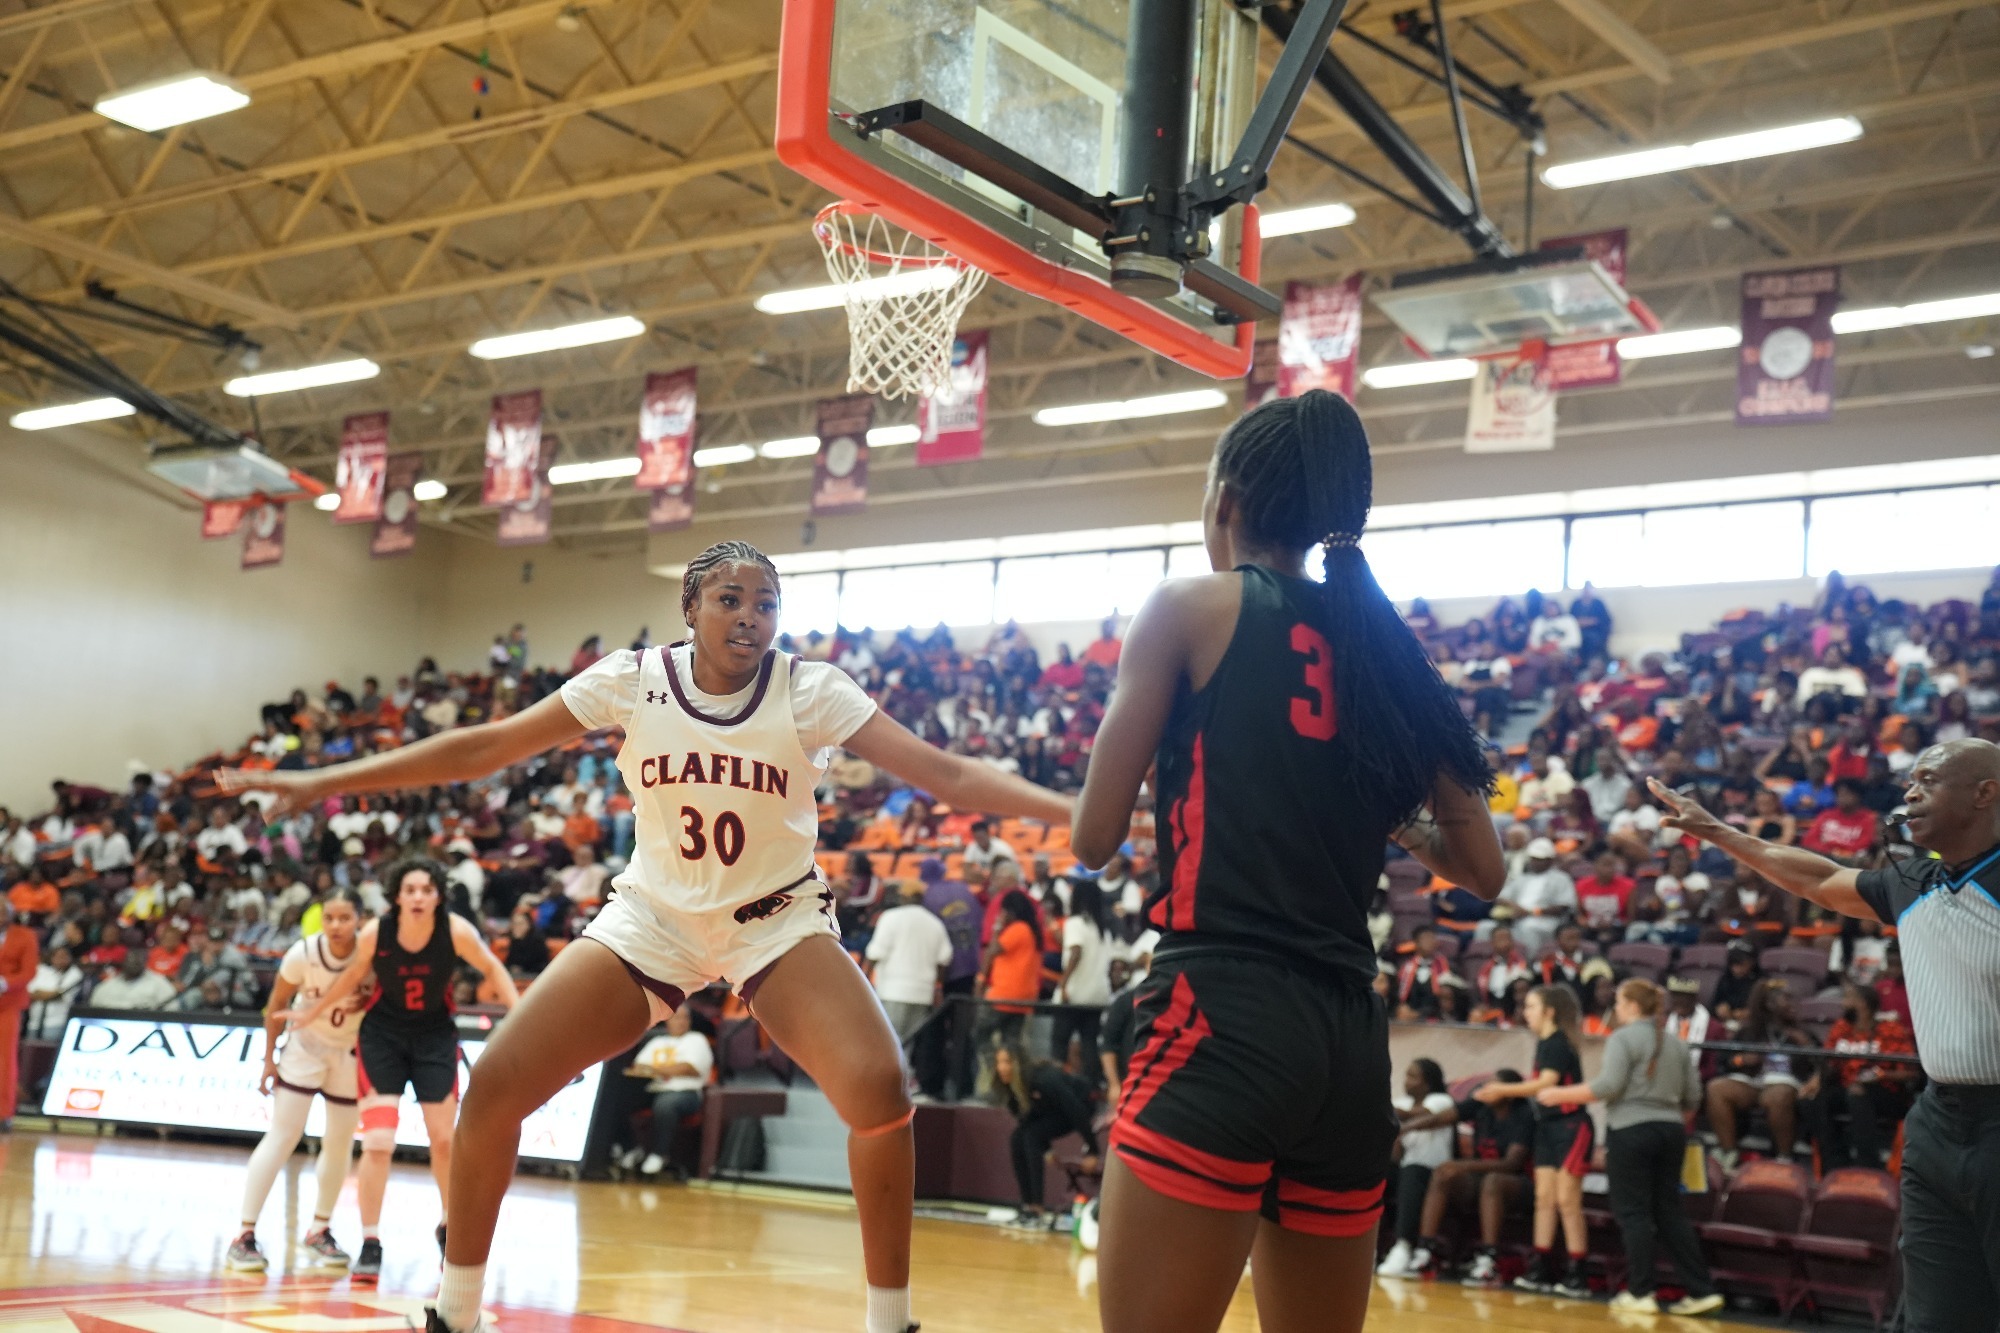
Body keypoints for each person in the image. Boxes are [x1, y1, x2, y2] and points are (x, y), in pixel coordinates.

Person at [220, 540, 1072, 1333]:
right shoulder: (633, 680)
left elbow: (951, 773)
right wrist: (324, 780)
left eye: (767, 602)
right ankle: (456, 1311)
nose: (750, 615)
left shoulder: (809, 688)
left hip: (773, 920)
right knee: (495, 1090)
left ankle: (891, 1321)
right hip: (652, 920)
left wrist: (1075, 812)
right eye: (731, 598)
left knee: (881, 1088)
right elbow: (486, 747)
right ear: (690, 607)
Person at [1069, 392, 1503, 1333]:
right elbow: (1484, 867)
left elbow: (1092, 839)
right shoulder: (1383, 646)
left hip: (1224, 1009)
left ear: (1226, 498)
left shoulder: (1188, 605)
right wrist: (1378, 811)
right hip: (1348, 1040)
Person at [1650, 746, 2000, 1330]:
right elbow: (1819, 876)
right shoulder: (1911, 879)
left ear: (1985, 793)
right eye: (1909, 781)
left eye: (1929, 782)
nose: (1909, 793)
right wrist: (1716, 831)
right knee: (1938, 1317)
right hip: (1938, 1123)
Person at [281, 859, 518, 1281]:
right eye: (410, 890)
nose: (418, 897)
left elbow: (493, 967)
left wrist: (519, 1014)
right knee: (377, 1143)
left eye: (427, 890)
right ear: (396, 896)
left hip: (434, 1039)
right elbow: (353, 976)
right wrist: (314, 1008)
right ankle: (370, 1241)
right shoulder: (378, 932)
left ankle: (449, 1226)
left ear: (438, 896)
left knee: (445, 1139)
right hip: (382, 1039)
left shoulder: (456, 930)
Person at [1536, 979, 1723, 1315]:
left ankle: (1641, 1292)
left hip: (1630, 1130)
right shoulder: (1677, 1044)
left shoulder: (1622, 1038)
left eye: (1620, 1003)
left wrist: (1560, 1094)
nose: (1616, 1009)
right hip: (1672, 1131)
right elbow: (1693, 1096)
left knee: (1633, 1213)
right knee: (1669, 1212)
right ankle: (1700, 1290)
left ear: (1634, 1007)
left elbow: (1609, 1085)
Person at [226, 888, 368, 1273]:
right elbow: (275, 1008)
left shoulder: (372, 955)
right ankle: (244, 1234)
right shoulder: (303, 953)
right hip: (303, 1049)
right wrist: (268, 1060)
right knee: (283, 1136)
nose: (336, 926)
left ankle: (319, 1230)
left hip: (348, 1053)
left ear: (360, 919)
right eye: (329, 918)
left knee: (339, 1143)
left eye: (345, 918)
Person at [1474, 985, 1591, 1297]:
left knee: (1567, 1201)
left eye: (1531, 1006)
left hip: (1571, 1126)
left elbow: (1546, 1083)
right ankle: (1540, 1267)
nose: (1526, 1012)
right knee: (1543, 1200)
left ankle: (1578, 1272)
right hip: (1548, 1127)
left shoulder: (1558, 1043)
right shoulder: (1544, 1043)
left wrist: (1501, 1090)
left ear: (1549, 1011)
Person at [1392, 1069, 1533, 1286]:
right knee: (1443, 1173)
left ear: (1510, 1092)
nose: (1485, 1090)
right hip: (1481, 1181)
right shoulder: (1479, 1106)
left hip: (1518, 1184)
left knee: (1492, 1181)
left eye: (1492, 1086)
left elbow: (1511, 1164)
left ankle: (1489, 1258)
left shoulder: (1523, 1114)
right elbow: (1439, 1119)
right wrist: (1405, 1129)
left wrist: (1462, 1165)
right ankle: (1425, 1252)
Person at [1800, 983, 1917, 1170]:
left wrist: (1880, 1074)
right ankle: (1833, 1162)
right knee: (1811, 1098)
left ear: (1862, 1004)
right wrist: (1815, 1081)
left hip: (1887, 1091)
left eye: (1848, 998)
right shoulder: (1841, 1028)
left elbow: (1911, 1072)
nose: (1843, 1003)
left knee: (1857, 1093)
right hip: (1848, 1087)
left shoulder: (1890, 1029)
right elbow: (1828, 1061)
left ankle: (1868, 1165)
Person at [1704, 978, 1810, 1173]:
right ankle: (1729, 1152)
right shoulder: (1750, 1030)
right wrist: (1742, 1061)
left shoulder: (1801, 1032)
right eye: (1785, 1000)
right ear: (1769, 1004)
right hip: (1754, 1080)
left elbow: (1818, 1066)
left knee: (1776, 1095)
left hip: (1787, 1081)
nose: (1791, 1005)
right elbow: (1726, 1061)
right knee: (1716, 1088)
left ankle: (1784, 1158)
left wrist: (1806, 1046)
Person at [992, 1041, 1099, 1229]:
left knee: (1032, 1136)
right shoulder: (1009, 1087)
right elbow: (1025, 1120)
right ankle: (1028, 1206)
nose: (1002, 1068)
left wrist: (1093, 1151)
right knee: (1018, 1138)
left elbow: (1076, 1110)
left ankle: (1038, 1209)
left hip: (1082, 1103)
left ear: (1018, 1064)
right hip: (1052, 1110)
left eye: (1007, 1062)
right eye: (999, 1062)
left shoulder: (1043, 1079)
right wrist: (1047, 1150)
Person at [1376, 1059, 1456, 1277]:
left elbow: (1413, 1115)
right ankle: (1372, 1245)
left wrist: (1382, 1109)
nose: (1407, 1081)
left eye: (1413, 1076)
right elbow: (1396, 1154)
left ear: (1428, 1083)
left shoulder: (1441, 1100)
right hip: (1407, 1168)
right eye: (1406, 1075)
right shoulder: (1401, 1102)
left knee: (1412, 1172)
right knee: (1375, 1173)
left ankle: (1403, 1247)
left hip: (1434, 1169)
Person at [628, 1003, 714, 1179]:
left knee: (666, 1104)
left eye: (685, 1018)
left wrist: (656, 1069)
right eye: (677, 1017)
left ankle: (660, 1154)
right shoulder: (657, 1041)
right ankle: (630, 1147)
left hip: (686, 1092)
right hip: (654, 1088)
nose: (682, 1022)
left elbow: (689, 1068)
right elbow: (638, 1067)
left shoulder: (697, 1040)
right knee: (621, 1099)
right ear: (667, 1021)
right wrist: (667, 1069)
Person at [865, 881, 952, 1044]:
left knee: (887, 1044)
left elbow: (875, 954)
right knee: (907, 1046)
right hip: (921, 995)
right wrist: (937, 988)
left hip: (892, 991)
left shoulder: (891, 917)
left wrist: (863, 983)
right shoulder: (935, 923)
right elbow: (943, 960)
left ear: (904, 897)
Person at [1051, 876, 1113, 1084]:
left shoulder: (1075, 922)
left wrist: (1064, 982)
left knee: (1059, 1042)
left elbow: (1076, 951)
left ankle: (1056, 1084)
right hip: (1097, 994)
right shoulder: (1101, 927)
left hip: (1075, 992)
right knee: (1090, 1043)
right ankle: (1091, 1088)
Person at [0, 903, 35, 1123]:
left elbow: (29, 971)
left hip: (9, 1004)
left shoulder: (25, 936)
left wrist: (5, 983)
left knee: (5, 1059)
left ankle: (4, 1113)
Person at [90, 950, 176, 1009]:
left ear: (144, 963)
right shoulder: (107, 986)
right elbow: (93, 1008)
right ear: (123, 962)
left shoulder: (159, 984)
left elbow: (173, 1009)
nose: (134, 963)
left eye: (137, 961)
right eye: (130, 960)